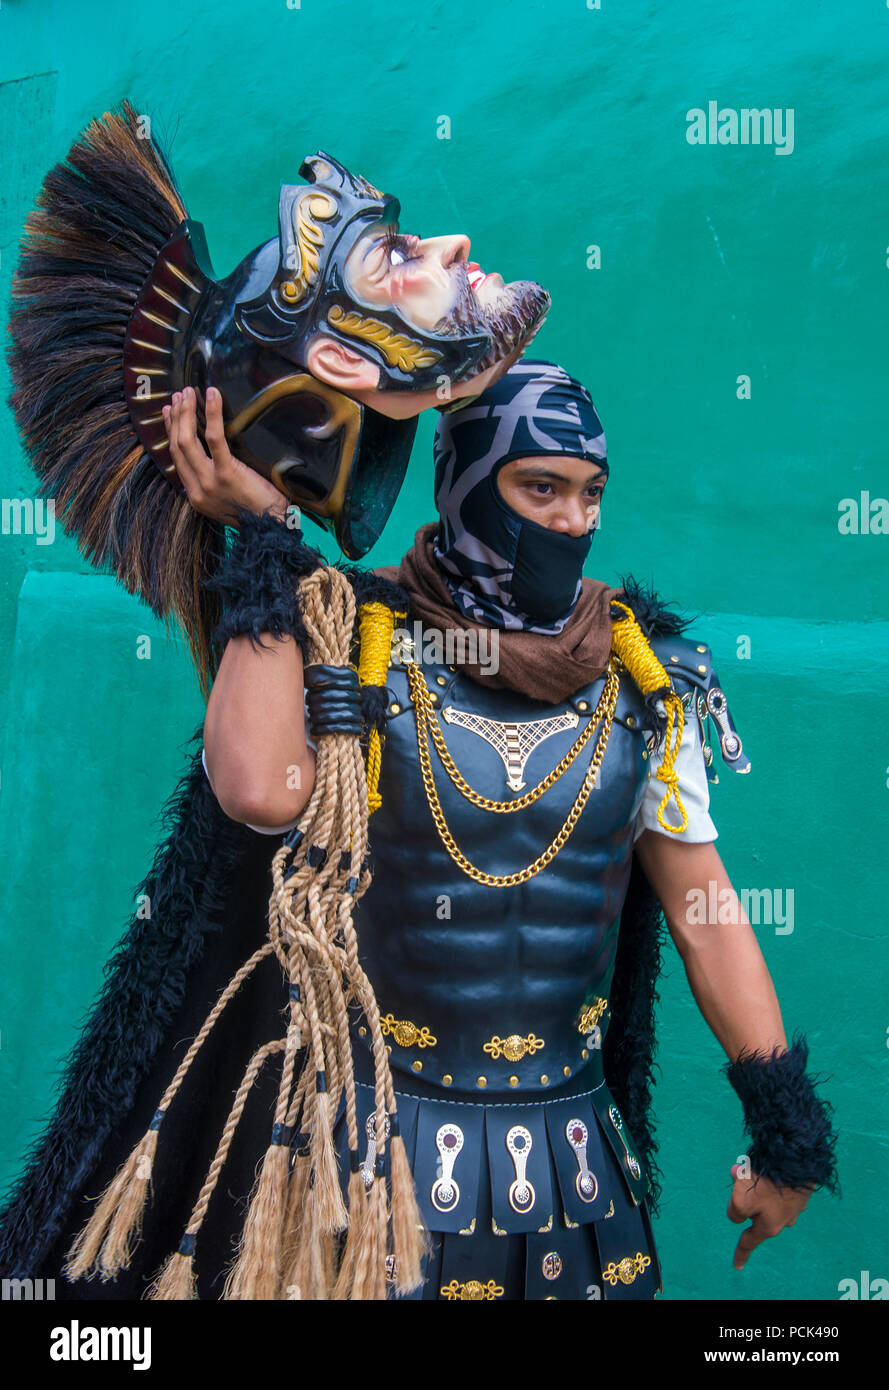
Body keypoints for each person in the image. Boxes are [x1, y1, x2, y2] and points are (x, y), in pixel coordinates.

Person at [0, 358, 837, 1301]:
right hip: (360, 1176)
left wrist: (782, 1127)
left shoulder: (644, 674)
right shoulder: (343, 635)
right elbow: (257, 793)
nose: (572, 519)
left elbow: (703, 907)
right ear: (467, 482)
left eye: (590, 493)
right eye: (541, 487)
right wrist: (266, 541)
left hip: (579, 1183)